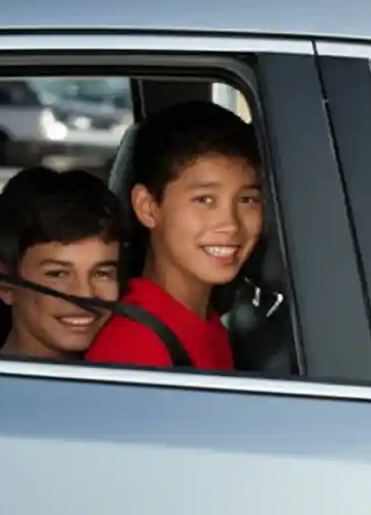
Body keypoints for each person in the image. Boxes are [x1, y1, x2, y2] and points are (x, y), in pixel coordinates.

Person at [86, 100, 264, 371]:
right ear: (148, 207)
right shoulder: (135, 348)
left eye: (247, 199)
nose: (231, 224)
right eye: (204, 199)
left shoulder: (203, 320)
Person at [0, 166, 126, 360]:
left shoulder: (127, 381)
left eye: (101, 274)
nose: (84, 294)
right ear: (5, 284)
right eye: (58, 274)